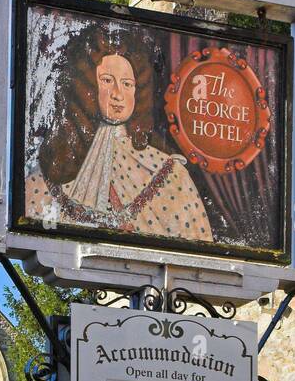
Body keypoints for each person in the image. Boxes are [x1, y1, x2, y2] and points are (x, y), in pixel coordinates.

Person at [27, 25, 213, 245]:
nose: (117, 94)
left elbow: (200, 251)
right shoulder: (53, 169)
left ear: (138, 89)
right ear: (86, 83)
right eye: (107, 80)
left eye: (127, 84)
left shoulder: (169, 172)